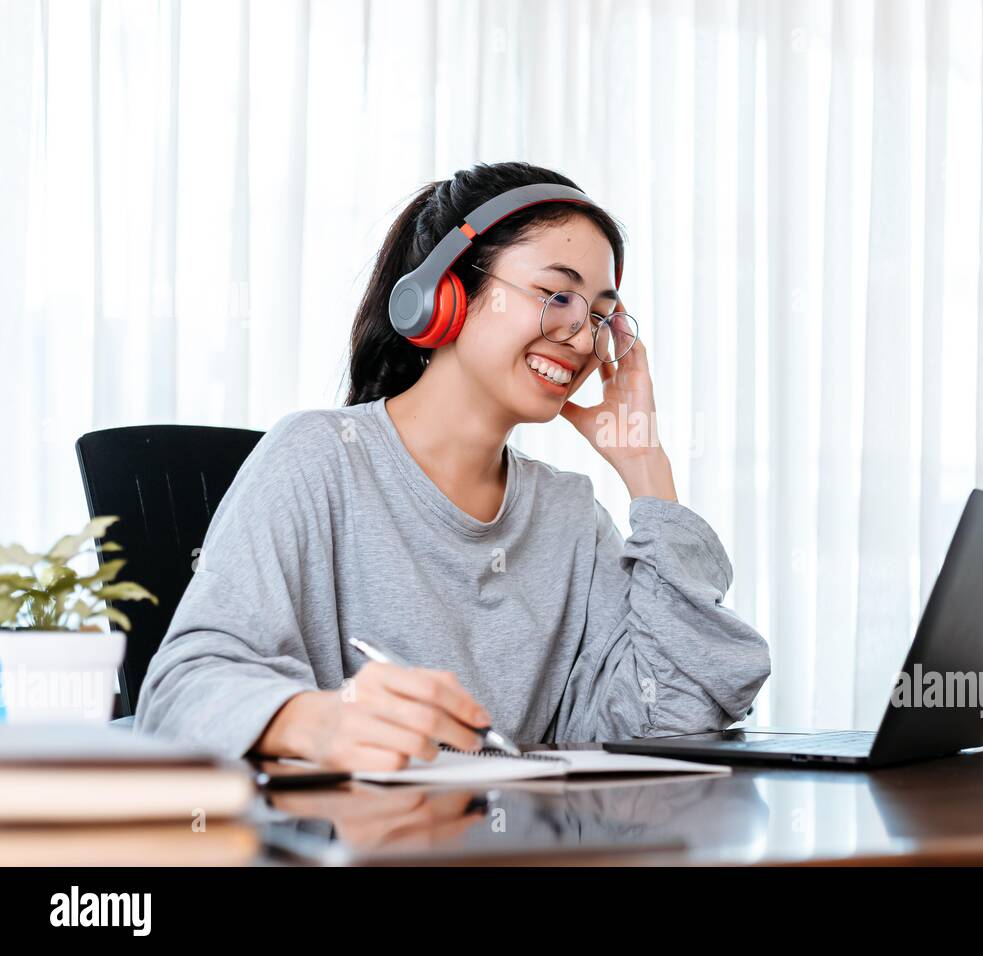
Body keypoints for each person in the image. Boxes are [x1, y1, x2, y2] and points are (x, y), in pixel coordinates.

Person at [134, 160, 770, 770]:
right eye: (558, 296)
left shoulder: (570, 516)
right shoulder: (317, 459)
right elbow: (182, 694)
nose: (582, 338)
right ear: (444, 293)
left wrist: (646, 469)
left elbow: (667, 725)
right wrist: (320, 721)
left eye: (601, 316)